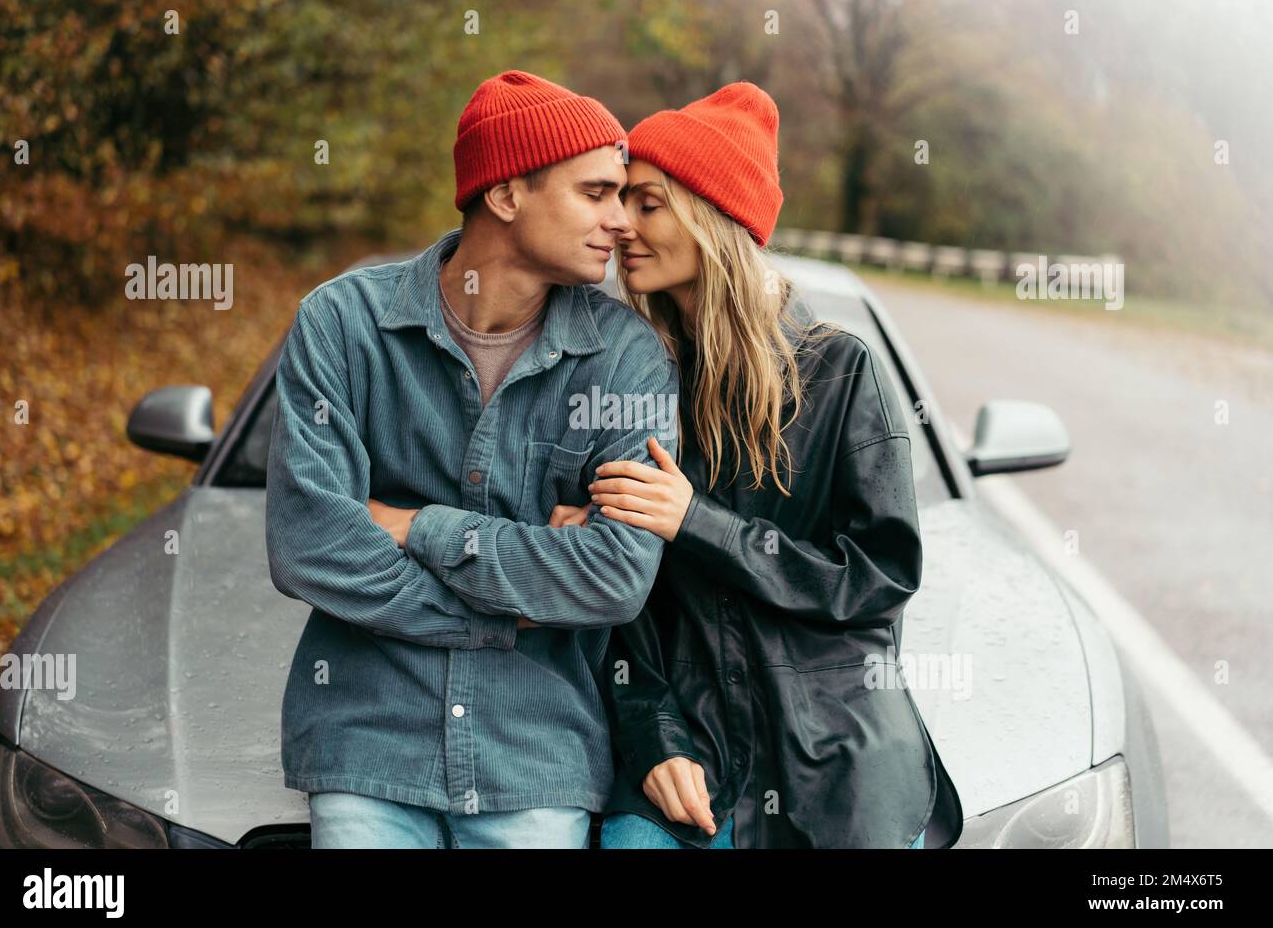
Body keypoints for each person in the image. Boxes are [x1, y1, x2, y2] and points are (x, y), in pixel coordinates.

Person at [265, 70, 680, 848]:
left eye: (622, 196)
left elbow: (614, 577)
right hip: (368, 741)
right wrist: (515, 607)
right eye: (596, 193)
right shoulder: (342, 324)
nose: (622, 221)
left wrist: (415, 526)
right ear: (507, 194)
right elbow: (310, 545)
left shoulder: (627, 360)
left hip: (536, 753)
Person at [549, 82, 963, 848]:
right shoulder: (630, 384)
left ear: (712, 217)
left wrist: (697, 524)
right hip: (691, 752)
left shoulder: (839, 371)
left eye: (648, 203)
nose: (621, 227)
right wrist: (652, 738)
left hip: (835, 762)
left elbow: (876, 581)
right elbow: (621, 621)